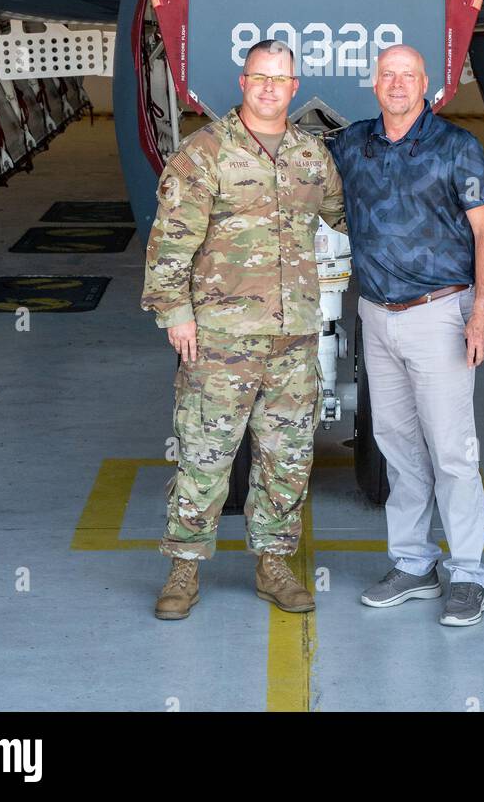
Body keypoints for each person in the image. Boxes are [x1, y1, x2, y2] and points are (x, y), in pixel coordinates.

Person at [141, 39, 346, 619]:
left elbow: (344, 217)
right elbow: (170, 242)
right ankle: (183, 570)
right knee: (206, 455)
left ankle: (273, 565)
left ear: (294, 85)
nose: (269, 88)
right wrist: (175, 313)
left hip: (295, 337)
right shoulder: (204, 152)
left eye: (280, 80)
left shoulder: (312, 157)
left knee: (287, 455)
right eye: (259, 77)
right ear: (243, 81)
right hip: (220, 339)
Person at [329, 44, 484, 627]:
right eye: (387, 75)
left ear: (429, 85)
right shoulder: (352, 145)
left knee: (452, 451)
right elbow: (292, 176)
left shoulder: (457, 148)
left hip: (440, 314)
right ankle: (413, 563)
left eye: (408, 75)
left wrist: (482, 309)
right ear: (374, 84)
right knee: (398, 448)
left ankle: (469, 573)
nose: (397, 84)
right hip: (377, 316)